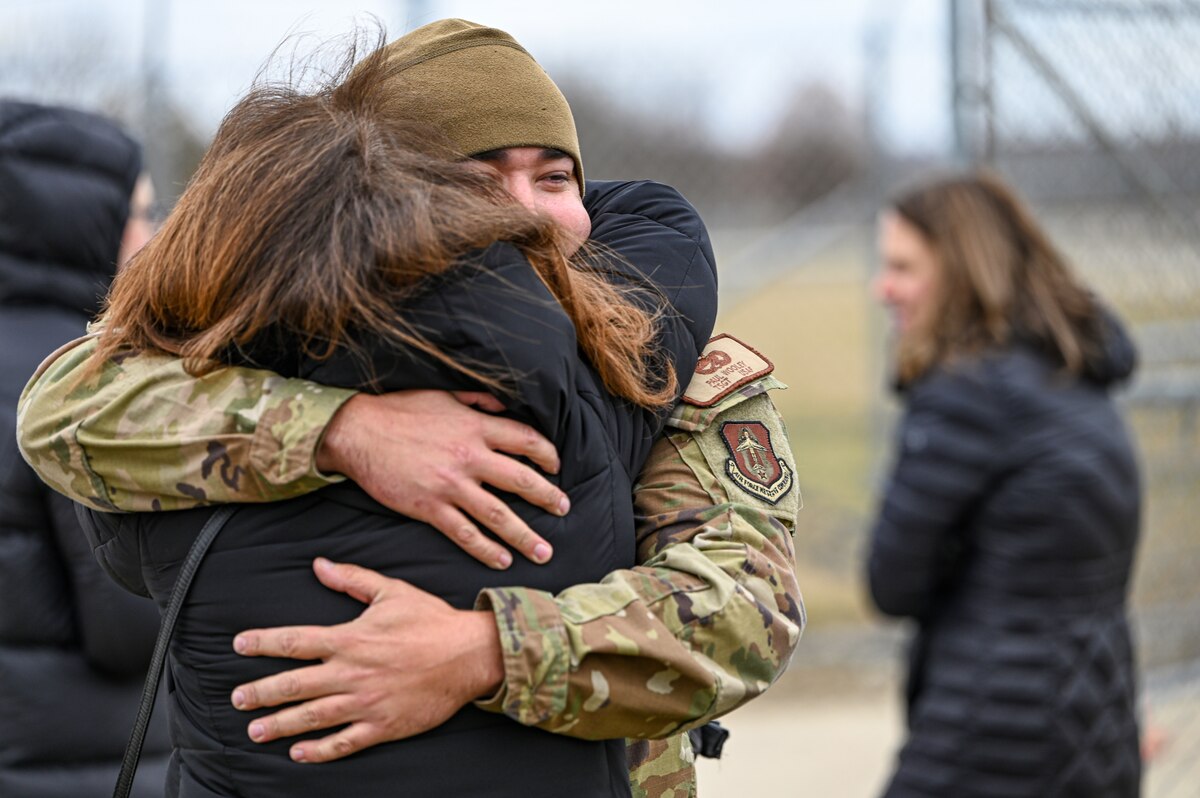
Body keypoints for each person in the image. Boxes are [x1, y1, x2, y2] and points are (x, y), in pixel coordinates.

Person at [19, 23, 803, 798]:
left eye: (555, 178)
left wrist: (485, 651)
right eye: (477, 177)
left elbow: (745, 611)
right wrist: (336, 432)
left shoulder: (676, 368)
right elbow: (61, 410)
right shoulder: (277, 341)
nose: (527, 211)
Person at [867, 172, 1142, 797]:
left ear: (961, 270)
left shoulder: (968, 392)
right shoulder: (1076, 381)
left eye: (903, 267)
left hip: (990, 740)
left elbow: (892, 581)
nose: (882, 287)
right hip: (1096, 729)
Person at [0, 100, 169, 797]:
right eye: (144, 211)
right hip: (72, 764)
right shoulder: (86, 382)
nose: (154, 236)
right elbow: (128, 627)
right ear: (86, 222)